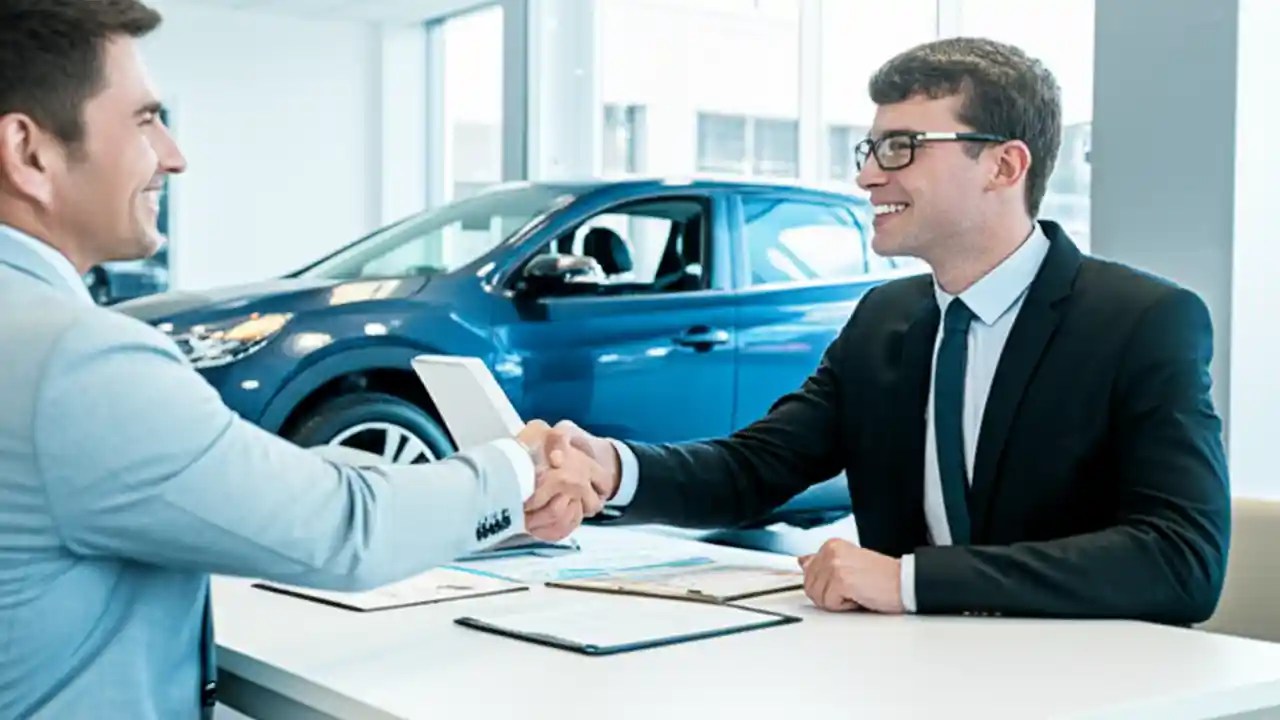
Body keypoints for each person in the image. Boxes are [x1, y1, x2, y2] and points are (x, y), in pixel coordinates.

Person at [0, 2, 602, 718]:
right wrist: (518, 466)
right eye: (143, 120)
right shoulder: (75, 358)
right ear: (29, 153)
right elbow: (346, 530)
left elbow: (256, 475)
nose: (173, 154)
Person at [538, 37, 1231, 624]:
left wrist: (907, 581)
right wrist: (612, 467)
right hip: (901, 678)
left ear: (1004, 165)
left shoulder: (1142, 321)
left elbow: (1181, 558)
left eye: (900, 148)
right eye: (868, 149)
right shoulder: (885, 319)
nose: (869, 175)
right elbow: (753, 470)